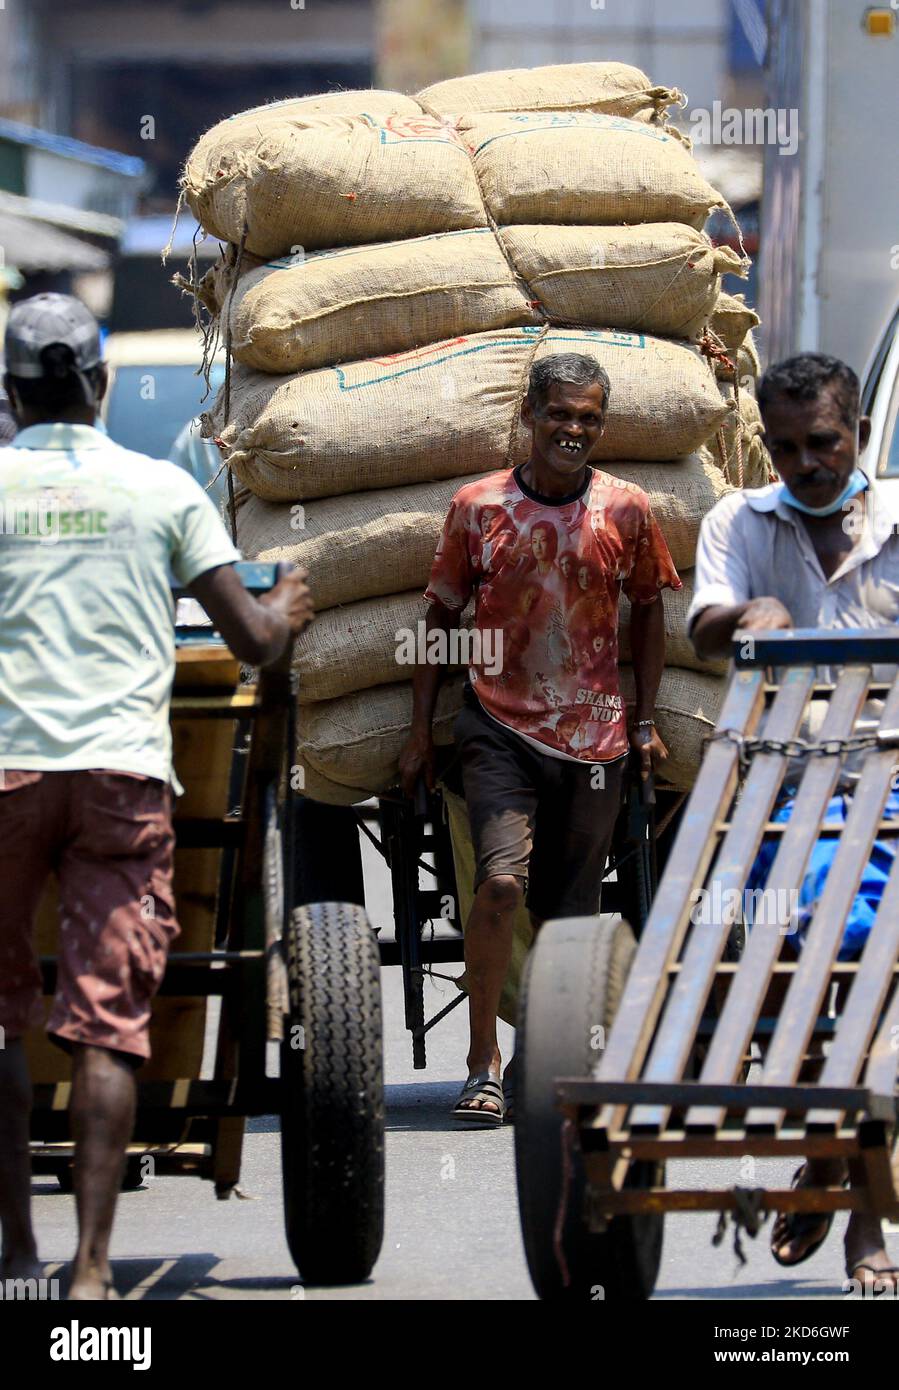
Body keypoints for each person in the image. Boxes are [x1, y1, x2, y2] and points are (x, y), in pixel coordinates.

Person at [0, 294, 313, 1300]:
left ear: (10, 393)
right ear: (98, 387)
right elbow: (254, 641)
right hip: (120, 783)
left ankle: (16, 1255)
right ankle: (91, 1270)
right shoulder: (159, 491)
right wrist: (288, 603)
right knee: (102, 1024)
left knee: (4, 1024)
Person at [399, 353, 680, 1125]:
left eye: (588, 417)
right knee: (498, 884)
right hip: (496, 726)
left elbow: (650, 610)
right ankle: (481, 1058)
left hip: (595, 745)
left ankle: (539, 1060)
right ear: (528, 414)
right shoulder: (478, 506)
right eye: (559, 413)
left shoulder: (625, 509)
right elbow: (440, 618)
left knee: (566, 918)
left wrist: (645, 719)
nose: (572, 429)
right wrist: (421, 732)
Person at [688, 351, 899, 1295]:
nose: (806, 464)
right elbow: (700, 627)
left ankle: (844, 1187)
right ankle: (848, 1182)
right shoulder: (739, 519)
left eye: (822, 443)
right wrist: (745, 615)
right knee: (822, 952)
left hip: (891, 781)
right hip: (790, 785)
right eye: (784, 449)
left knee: (870, 959)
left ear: (856, 433)